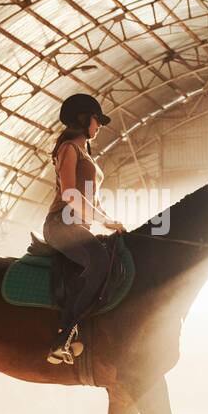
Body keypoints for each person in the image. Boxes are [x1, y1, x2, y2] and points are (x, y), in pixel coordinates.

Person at [43, 93, 125, 364]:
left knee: (112, 257)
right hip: (61, 223)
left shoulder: (85, 154)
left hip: (79, 224)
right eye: (96, 120)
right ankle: (63, 336)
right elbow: (69, 194)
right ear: (83, 119)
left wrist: (107, 219)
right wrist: (104, 220)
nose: (99, 125)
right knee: (99, 262)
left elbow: (92, 199)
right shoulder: (69, 149)